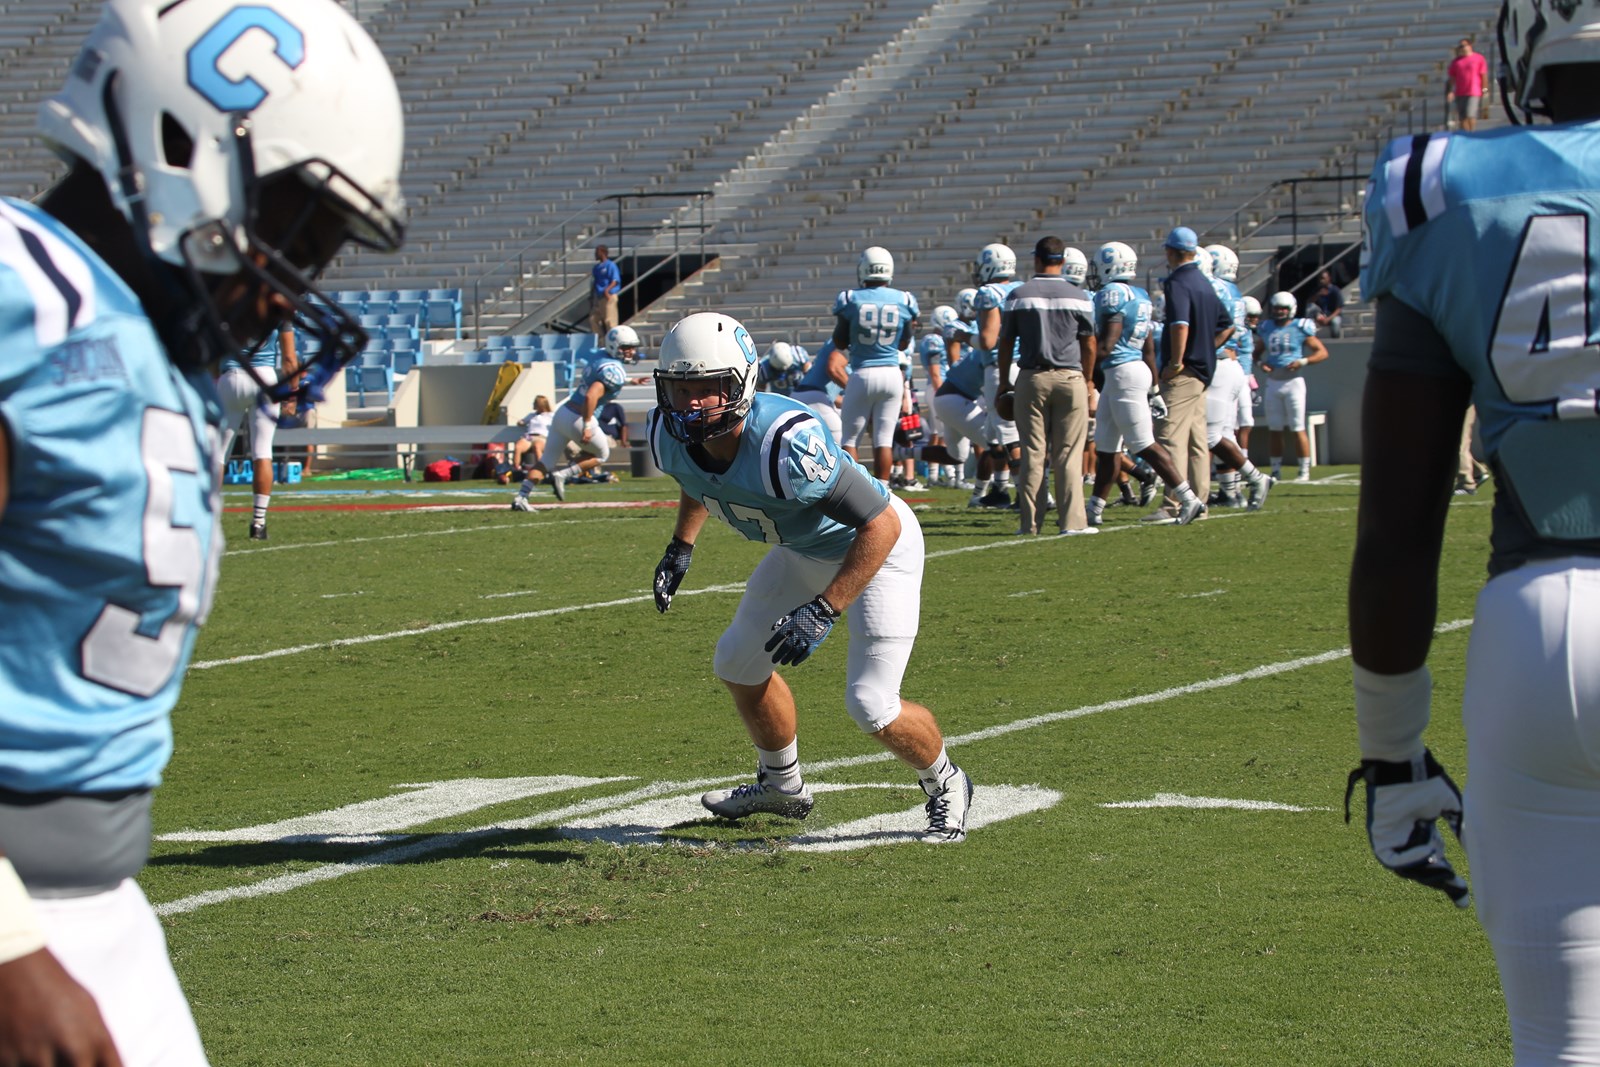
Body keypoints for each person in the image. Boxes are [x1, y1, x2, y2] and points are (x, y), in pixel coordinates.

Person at [0, 1, 406, 1063]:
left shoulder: (145, 339)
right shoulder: (22, 303)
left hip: (98, 902)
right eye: (297, 233)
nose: (292, 290)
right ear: (184, 143)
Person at [1348, 6, 1600, 1059]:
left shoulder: (1444, 188)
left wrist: (1392, 754)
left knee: (1558, 1040)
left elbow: (1399, 522)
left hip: (1536, 626)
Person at [647, 312, 973, 843]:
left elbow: (881, 522)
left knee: (871, 703)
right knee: (736, 661)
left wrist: (825, 608)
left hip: (874, 550)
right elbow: (696, 475)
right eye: (682, 388)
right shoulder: (669, 432)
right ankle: (783, 786)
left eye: (709, 389)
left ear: (744, 382)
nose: (692, 403)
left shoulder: (784, 442)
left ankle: (947, 783)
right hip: (801, 549)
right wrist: (681, 545)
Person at [1087, 242, 1206, 527]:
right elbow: (1149, 348)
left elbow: (1107, 342)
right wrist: (1153, 388)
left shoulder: (1112, 294)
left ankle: (1189, 499)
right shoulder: (1139, 294)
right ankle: (1093, 509)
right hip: (1134, 369)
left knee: (1143, 444)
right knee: (1106, 446)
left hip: (1121, 372)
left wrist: (1084, 371)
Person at [994, 236, 1098, 535]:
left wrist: (1003, 382)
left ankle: (1030, 523)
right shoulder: (1079, 295)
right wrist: (1089, 378)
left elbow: (1005, 343)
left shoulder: (1019, 294)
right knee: (1068, 453)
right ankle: (1072, 522)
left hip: (1032, 377)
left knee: (1032, 453)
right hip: (1070, 377)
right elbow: (1089, 341)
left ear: (1037, 259)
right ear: (1062, 261)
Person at [1145, 226, 1229, 523]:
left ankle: (1175, 504)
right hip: (1204, 369)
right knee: (1196, 441)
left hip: (1186, 371)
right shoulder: (1205, 282)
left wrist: (1176, 361)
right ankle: (1200, 501)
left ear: (1171, 251)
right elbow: (1226, 325)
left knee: (1170, 437)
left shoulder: (1178, 281)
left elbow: (1179, 324)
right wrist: (1205, 348)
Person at [833, 246, 918, 483]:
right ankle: (885, 489)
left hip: (862, 372)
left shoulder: (850, 299)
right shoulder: (904, 299)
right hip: (892, 374)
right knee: (884, 438)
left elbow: (839, 340)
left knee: (850, 439)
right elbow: (903, 343)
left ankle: (854, 490)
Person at [511, 352, 628, 507]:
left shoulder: (599, 360)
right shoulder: (611, 372)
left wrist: (632, 381)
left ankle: (521, 497)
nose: (631, 351)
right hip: (579, 417)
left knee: (546, 460)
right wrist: (587, 425)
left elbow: (599, 382)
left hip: (563, 413)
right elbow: (590, 396)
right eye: (628, 347)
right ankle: (563, 475)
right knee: (602, 454)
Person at [218, 326, 298, 540]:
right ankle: (259, 523)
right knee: (262, 452)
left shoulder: (225, 300)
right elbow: (289, 358)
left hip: (232, 375)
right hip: (265, 377)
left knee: (218, 454)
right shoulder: (276, 304)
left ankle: (209, 520)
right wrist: (293, 394)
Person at [1255, 291, 1329, 482]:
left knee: (1298, 427)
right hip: (1273, 382)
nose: (1279, 311)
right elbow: (1256, 354)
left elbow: (1321, 352)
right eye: (1276, 308)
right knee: (1275, 428)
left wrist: (1302, 362)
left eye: (1283, 308)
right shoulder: (1266, 327)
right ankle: (1275, 470)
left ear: (1291, 309)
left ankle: (1304, 471)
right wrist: (1260, 365)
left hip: (1293, 381)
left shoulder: (1300, 327)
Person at [1446, 36, 1490, 133]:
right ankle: (1466, 134)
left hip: (1474, 91)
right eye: (1460, 46)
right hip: (1460, 92)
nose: (1462, 48)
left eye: (1464, 45)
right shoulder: (1456, 62)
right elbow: (1452, 78)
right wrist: (1450, 91)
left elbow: (1484, 76)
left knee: (1471, 114)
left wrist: (1485, 91)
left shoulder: (1479, 58)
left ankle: (1472, 132)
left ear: (1470, 46)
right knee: (1463, 117)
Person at [509, 394, 554, 482]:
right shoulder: (531, 415)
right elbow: (523, 422)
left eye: (535, 403)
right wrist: (520, 422)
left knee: (537, 447)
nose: (533, 404)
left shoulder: (551, 415)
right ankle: (516, 469)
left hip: (541, 437)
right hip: (529, 437)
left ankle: (542, 471)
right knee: (518, 447)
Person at [589, 245, 621, 341]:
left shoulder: (610, 265)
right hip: (599, 298)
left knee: (610, 321)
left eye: (597, 252)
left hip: (608, 296)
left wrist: (607, 290)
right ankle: (601, 339)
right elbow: (595, 282)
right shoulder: (596, 268)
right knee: (593, 319)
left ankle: (614, 341)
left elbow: (615, 280)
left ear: (602, 252)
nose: (595, 254)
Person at [1310, 269, 1346, 338]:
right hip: (1321, 315)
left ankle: (1335, 340)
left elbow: (1339, 309)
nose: (1321, 281)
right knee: (1310, 310)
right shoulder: (1318, 290)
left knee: (1336, 322)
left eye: (1323, 278)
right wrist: (1318, 294)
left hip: (1332, 316)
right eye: (1320, 279)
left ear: (1328, 278)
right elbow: (1310, 303)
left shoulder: (1335, 290)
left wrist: (1328, 319)